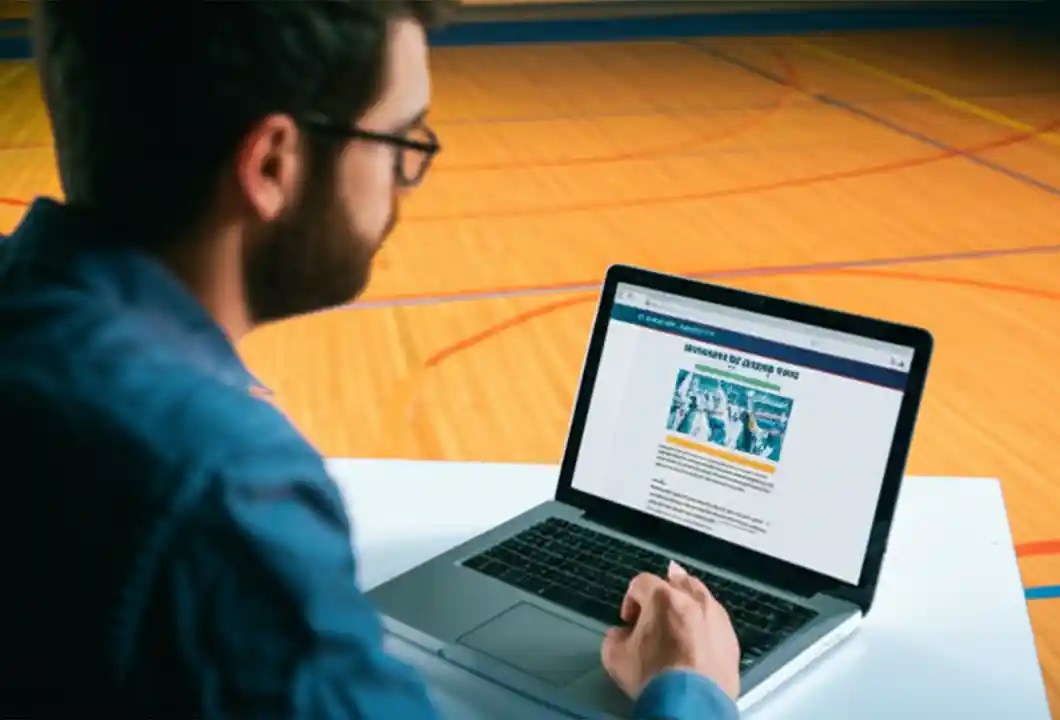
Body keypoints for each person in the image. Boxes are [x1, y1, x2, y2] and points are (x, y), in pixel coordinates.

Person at [0, 1, 741, 717]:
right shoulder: (215, 489)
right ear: (274, 164)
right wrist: (689, 692)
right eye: (402, 143)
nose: (403, 184)